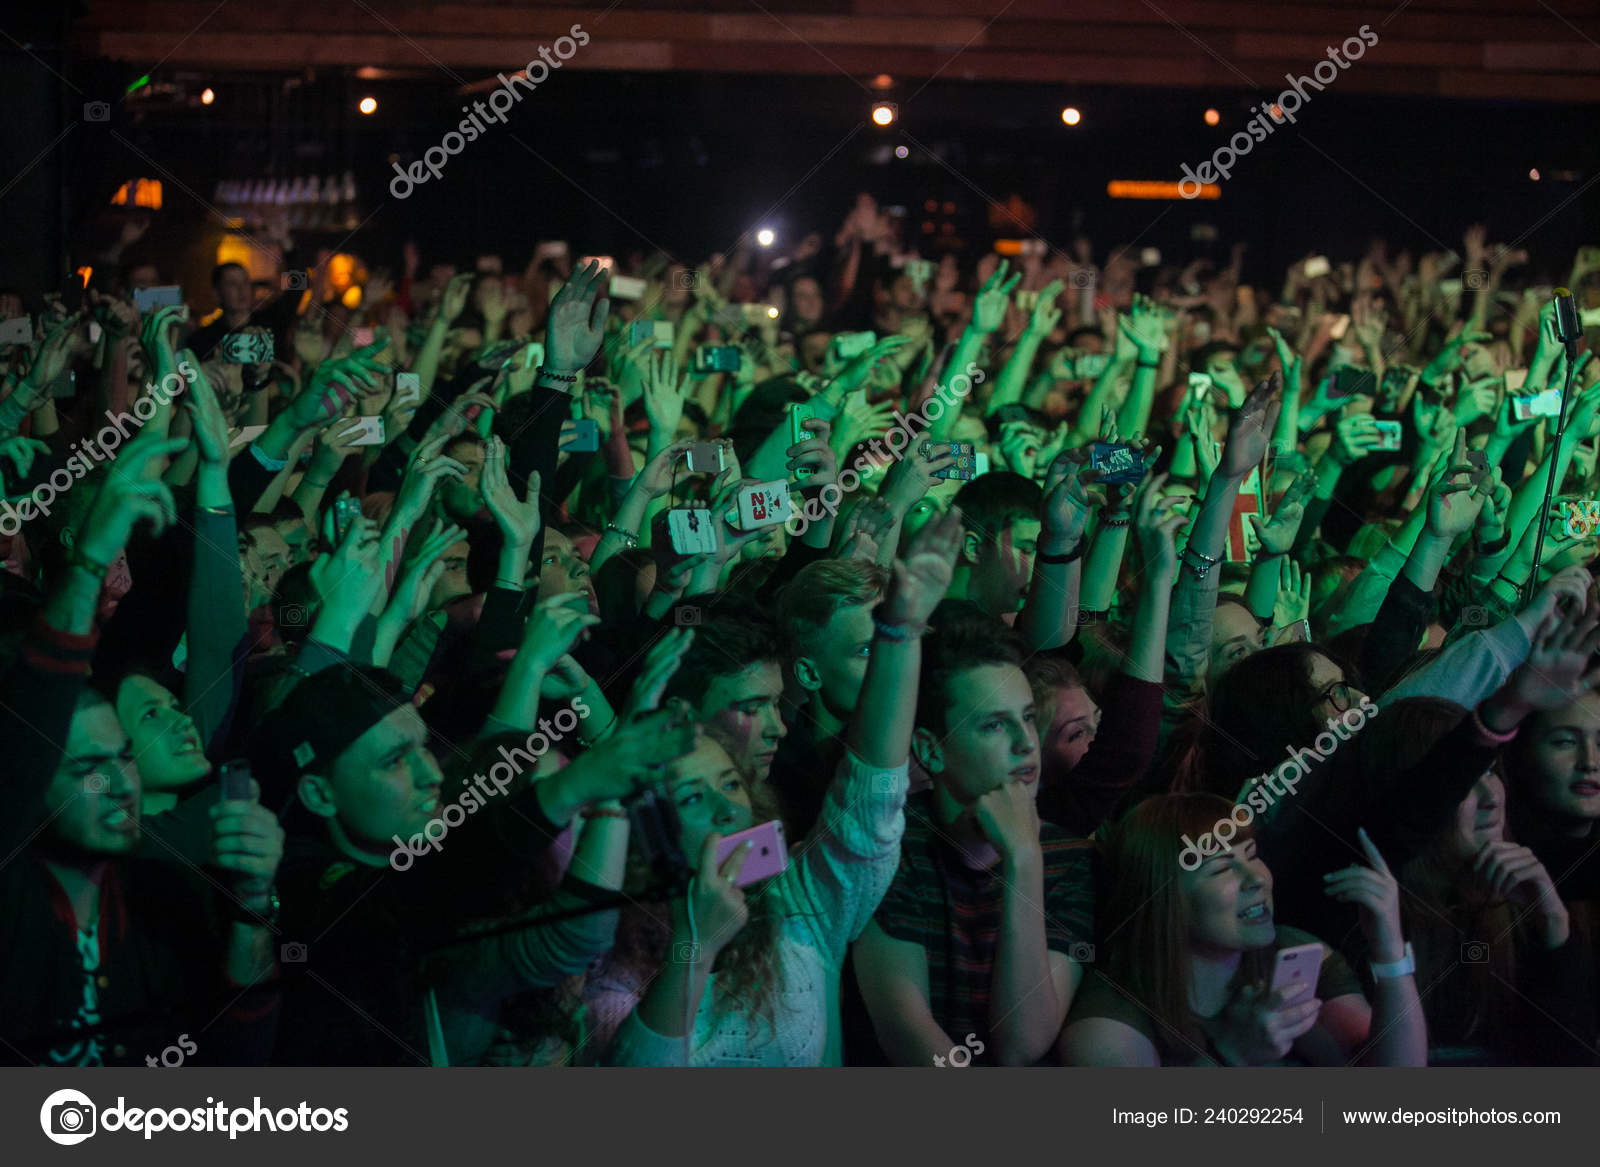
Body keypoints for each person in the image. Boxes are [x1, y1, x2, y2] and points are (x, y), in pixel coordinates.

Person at [582, 511, 963, 1066]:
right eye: (692, 795)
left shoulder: (795, 897)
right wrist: (695, 949)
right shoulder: (607, 949)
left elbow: (871, 801)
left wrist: (900, 632)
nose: (727, 805)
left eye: (731, 783)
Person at [851, 602, 1096, 1067]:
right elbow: (910, 1040)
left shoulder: (1067, 858)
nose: (1026, 743)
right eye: (993, 724)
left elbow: (1023, 1042)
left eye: (1026, 717)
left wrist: (1024, 860)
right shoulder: (891, 850)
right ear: (930, 749)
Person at [1059, 794, 1425, 1066]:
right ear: (1161, 900)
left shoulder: (1289, 952)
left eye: (1252, 855)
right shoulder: (1107, 1021)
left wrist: (1390, 952)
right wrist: (1233, 1054)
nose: (1256, 878)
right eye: (1222, 868)